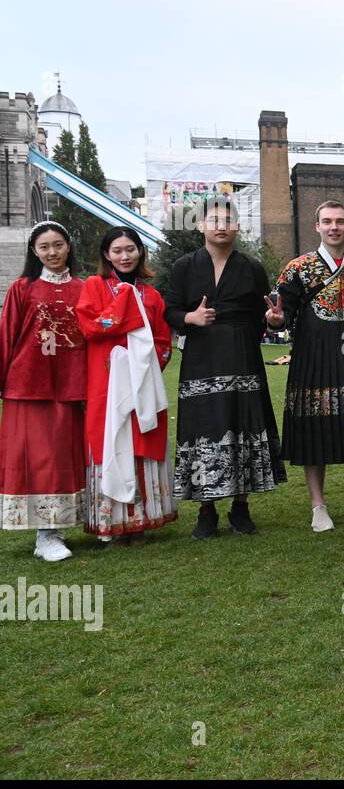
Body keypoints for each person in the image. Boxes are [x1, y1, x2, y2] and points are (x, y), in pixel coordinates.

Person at [164, 198, 286, 538]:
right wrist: (191, 317)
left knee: (242, 426)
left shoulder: (252, 268)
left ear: (237, 226)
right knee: (203, 429)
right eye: (214, 219)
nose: (221, 225)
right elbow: (169, 310)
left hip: (242, 357)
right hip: (200, 358)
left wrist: (274, 321)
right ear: (201, 226)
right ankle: (206, 510)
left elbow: (264, 319)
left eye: (228, 219)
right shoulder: (184, 267)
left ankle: (241, 506)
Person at [266, 200, 344, 532]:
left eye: (340, 221)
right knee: (313, 427)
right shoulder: (298, 268)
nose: (334, 227)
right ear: (316, 226)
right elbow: (281, 314)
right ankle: (318, 505)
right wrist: (275, 321)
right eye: (327, 221)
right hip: (313, 357)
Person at [74, 226, 177, 541]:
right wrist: (123, 302)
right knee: (110, 440)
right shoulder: (94, 286)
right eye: (117, 250)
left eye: (130, 249)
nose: (124, 255)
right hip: (105, 382)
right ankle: (111, 523)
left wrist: (144, 365)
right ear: (107, 255)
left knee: (142, 442)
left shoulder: (152, 295)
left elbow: (163, 341)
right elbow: (91, 327)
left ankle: (142, 520)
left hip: (143, 382)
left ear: (140, 252)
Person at [0, 221, 87, 560]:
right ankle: (45, 535)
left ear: (69, 247)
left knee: (67, 457)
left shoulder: (85, 288)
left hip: (73, 386)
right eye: (44, 247)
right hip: (29, 386)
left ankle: (71, 526)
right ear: (34, 252)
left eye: (58, 245)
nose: (52, 252)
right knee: (39, 458)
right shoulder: (22, 288)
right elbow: (7, 335)